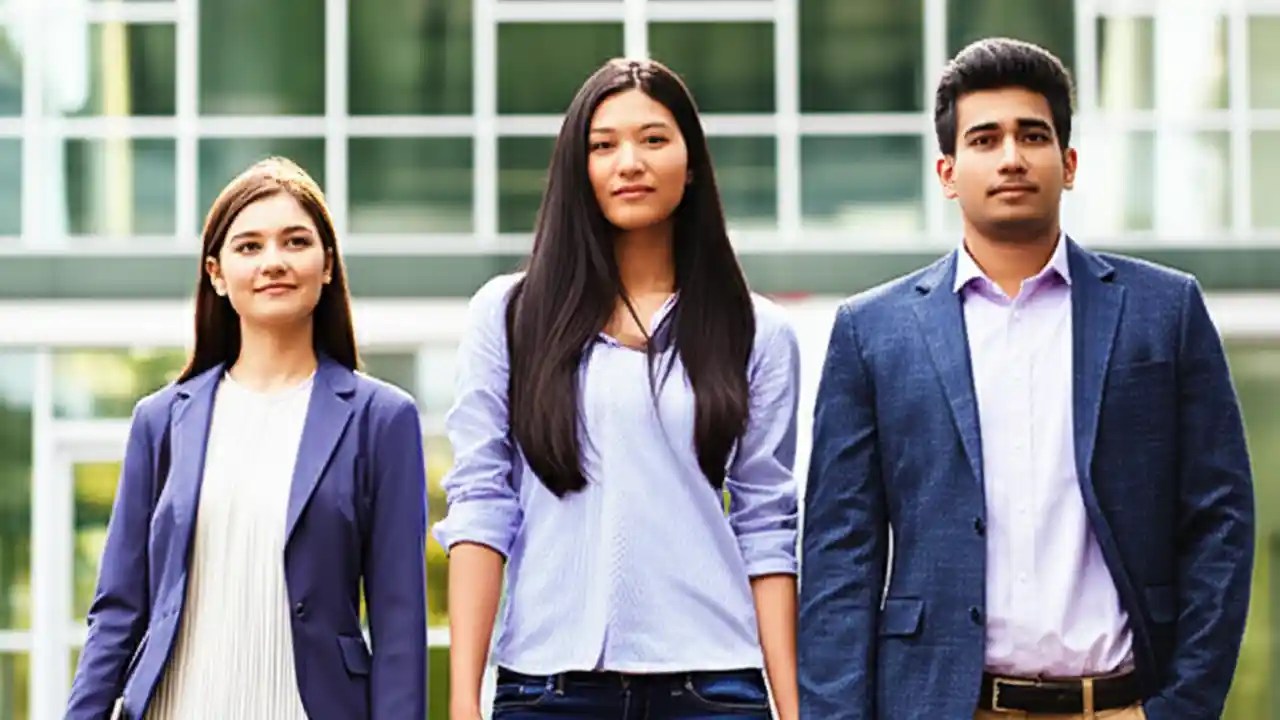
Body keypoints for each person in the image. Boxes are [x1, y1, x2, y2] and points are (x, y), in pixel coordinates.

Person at [798, 38, 1254, 720]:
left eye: (1032, 136)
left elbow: (1221, 518)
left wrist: (1181, 707)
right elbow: (841, 553)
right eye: (985, 139)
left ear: (1068, 164)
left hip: (1124, 703)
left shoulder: (1165, 310)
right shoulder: (873, 332)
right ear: (947, 172)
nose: (1011, 157)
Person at [434, 58, 800, 720]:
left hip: (714, 688)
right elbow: (481, 505)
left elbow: (766, 523)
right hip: (547, 688)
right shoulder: (510, 316)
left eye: (654, 139)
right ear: (578, 169)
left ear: (692, 163)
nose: (629, 162)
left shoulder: (758, 330)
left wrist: (792, 708)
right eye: (603, 145)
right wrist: (463, 700)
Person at [66, 157, 428, 720]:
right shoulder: (160, 421)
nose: (273, 261)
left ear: (327, 265)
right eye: (249, 246)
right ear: (216, 273)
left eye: (296, 242)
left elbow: (399, 625)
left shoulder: (382, 420)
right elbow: (118, 611)